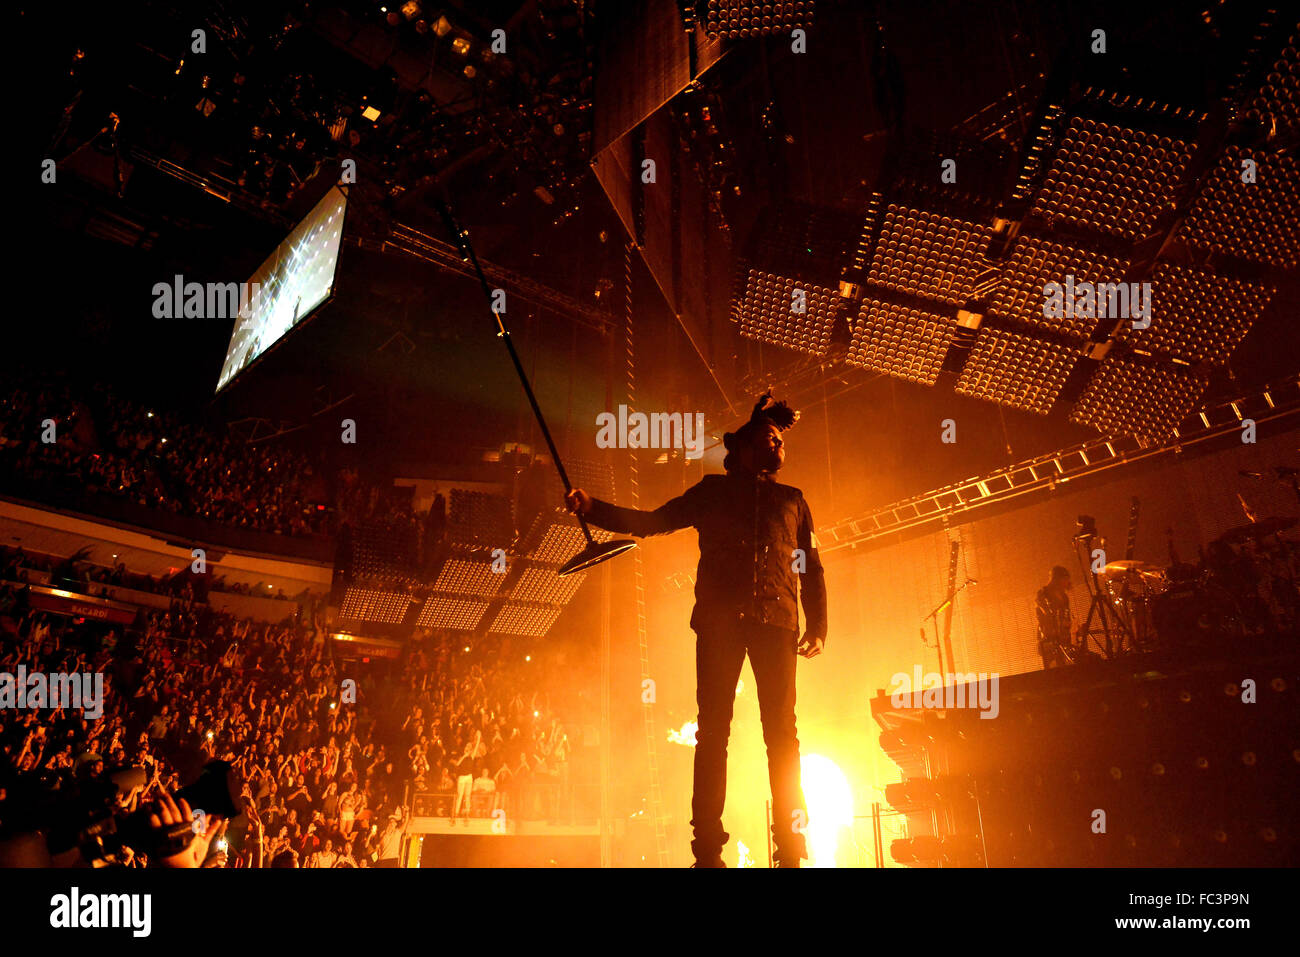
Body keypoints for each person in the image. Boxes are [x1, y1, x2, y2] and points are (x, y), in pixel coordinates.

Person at [566, 393, 827, 868]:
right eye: (769, 438)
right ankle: (707, 851)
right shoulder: (711, 493)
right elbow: (652, 523)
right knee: (714, 734)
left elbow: (812, 567)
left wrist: (819, 625)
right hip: (722, 624)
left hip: (776, 624)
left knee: (782, 736)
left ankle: (791, 846)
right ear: (743, 449)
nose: (778, 446)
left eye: (780, 440)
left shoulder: (794, 501)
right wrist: (594, 508)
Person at [1036, 566, 1074, 669]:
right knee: (1053, 668)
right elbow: (1045, 614)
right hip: (1049, 637)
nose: (1067, 582)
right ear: (1057, 579)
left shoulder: (1064, 597)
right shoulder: (1043, 593)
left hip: (1064, 637)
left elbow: (1067, 615)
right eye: (1065, 579)